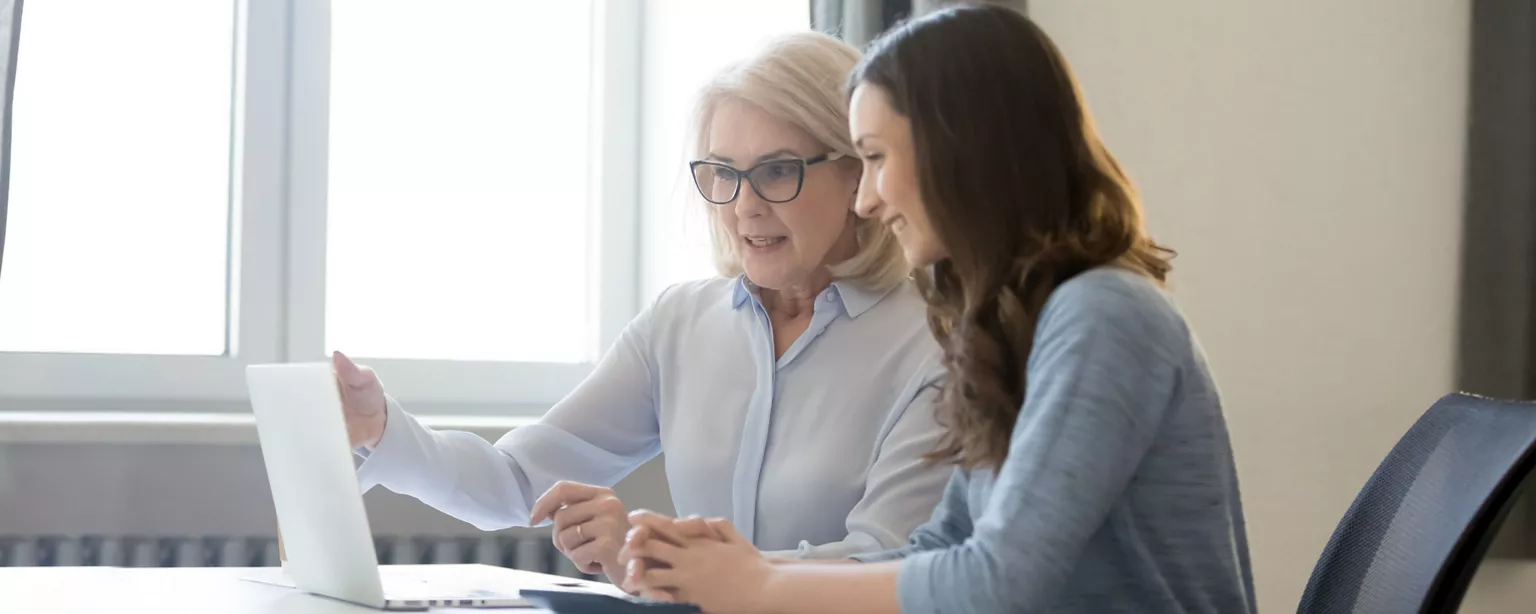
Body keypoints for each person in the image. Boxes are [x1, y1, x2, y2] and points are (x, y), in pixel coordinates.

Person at [618, 6, 1257, 613]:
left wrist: (758, 586)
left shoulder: (1103, 315)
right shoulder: (1013, 325)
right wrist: (731, 571)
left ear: (958, 151)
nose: (864, 200)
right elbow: (939, 548)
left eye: (874, 158)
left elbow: (997, 583)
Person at [330, 31, 951, 586]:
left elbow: (889, 563)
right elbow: (518, 482)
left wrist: (660, 562)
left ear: (857, 174)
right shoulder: (679, 325)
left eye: (778, 170)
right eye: (722, 173)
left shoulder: (937, 342)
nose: (744, 207)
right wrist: (383, 429)